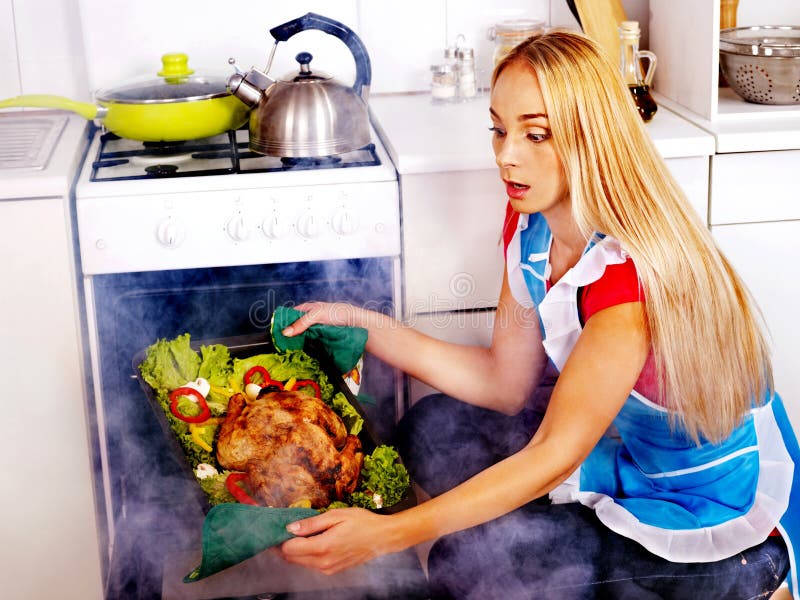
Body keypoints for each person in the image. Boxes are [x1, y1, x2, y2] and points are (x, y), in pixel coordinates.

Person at [275, 29, 800, 599]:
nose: (506, 155)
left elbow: (552, 458)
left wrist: (388, 535)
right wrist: (364, 323)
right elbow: (504, 383)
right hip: (622, 453)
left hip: (704, 511)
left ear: (589, 139)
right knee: (428, 430)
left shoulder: (627, 285)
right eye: (499, 129)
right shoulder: (532, 224)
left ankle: (754, 587)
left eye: (536, 134)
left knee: (463, 563)